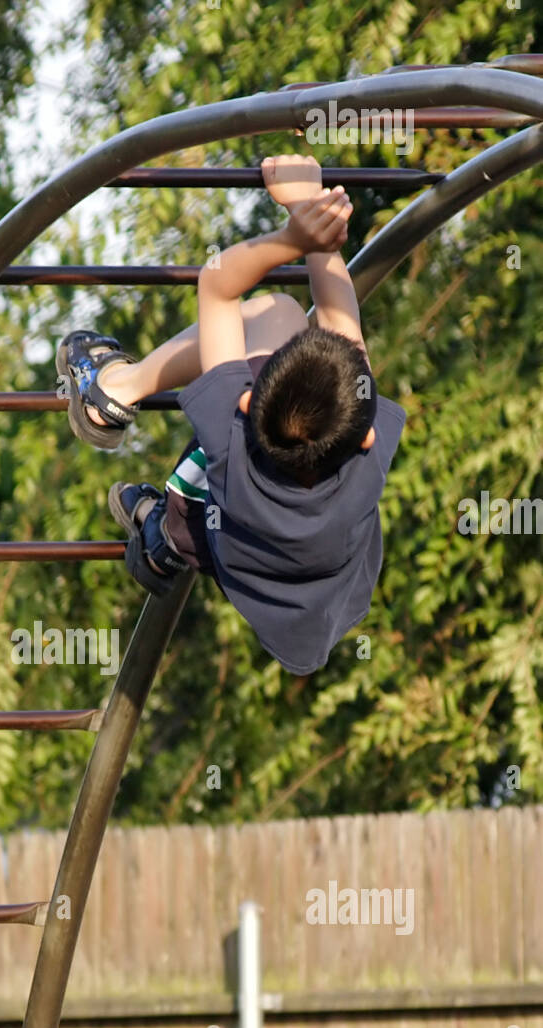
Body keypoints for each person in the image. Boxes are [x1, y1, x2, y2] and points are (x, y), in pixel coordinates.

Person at [56, 154, 407, 676]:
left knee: (280, 313)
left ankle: (116, 396)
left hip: (226, 536)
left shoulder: (233, 431)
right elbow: (340, 326)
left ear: (247, 400)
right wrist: (307, 214)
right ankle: (166, 534)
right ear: (365, 438)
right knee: (291, 326)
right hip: (323, 602)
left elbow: (218, 286)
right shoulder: (367, 453)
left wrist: (297, 228)